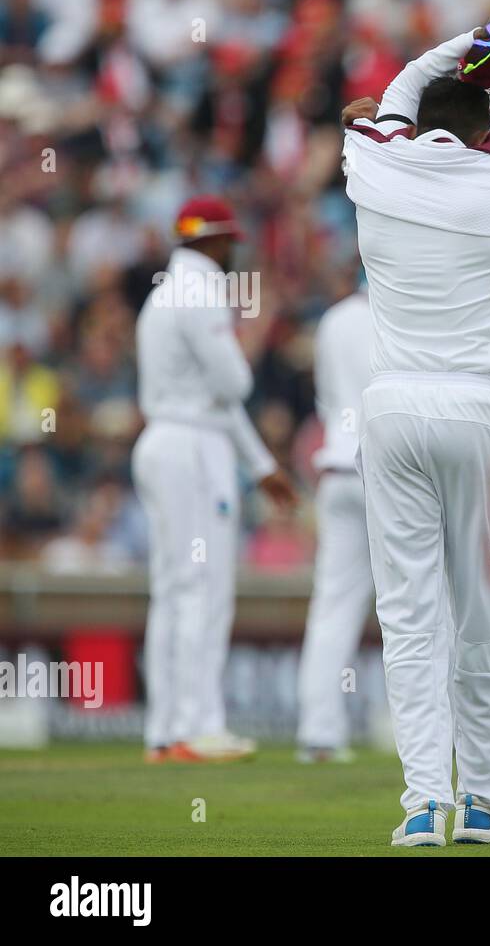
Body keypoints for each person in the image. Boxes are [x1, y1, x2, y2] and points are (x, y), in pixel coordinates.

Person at [341, 11, 490, 847]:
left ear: (413, 130)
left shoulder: (370, 165)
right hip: (477, 407)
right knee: (476, 613)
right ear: (488, 133)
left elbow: (396, 92)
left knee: (410, 619)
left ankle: (424, 803)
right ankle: (484, 801)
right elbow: (433, 103)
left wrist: (466, 46)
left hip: (392, 408)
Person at [133, 195, 296, 763]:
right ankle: (198, 727)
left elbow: (218, 398)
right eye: (228, 243)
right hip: (194, 450)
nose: (232, 253)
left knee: (174, 590)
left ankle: (166, 729)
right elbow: (234, 385)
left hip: (163, 439)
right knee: (204, 587)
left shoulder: (161, 296)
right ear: (215, 241)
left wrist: (261, 466)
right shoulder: (204, 292)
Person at [296, 286, 373, 764]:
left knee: (332, 605)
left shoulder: (332, 318)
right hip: (386, 469)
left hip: (336, 463)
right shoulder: (408, 306)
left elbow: (326, 398)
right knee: (429, 605)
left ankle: (319, 733)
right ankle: (460, 739)